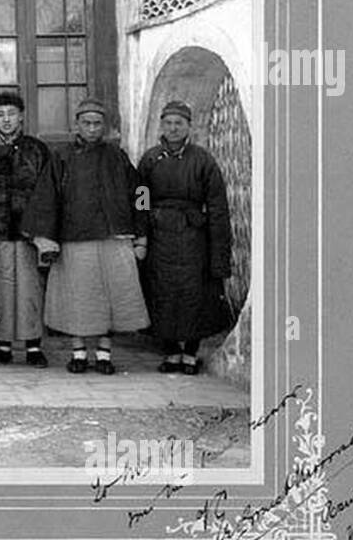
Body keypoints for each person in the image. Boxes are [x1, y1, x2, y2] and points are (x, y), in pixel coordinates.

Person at [24, 99, 149, 375]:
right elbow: (46, 198)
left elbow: (141, 193)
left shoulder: (117, 156)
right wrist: (45, 239)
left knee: (110, 300)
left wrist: (142, 235)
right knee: (78, 299)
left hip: (114, 239)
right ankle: (78, 353)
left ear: (104, 126)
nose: (92, 128)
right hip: (75, 240)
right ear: (76, 125)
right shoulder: (61, 157)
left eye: (97, 124)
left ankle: (104, 354)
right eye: (87, 123)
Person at [137, 100, 234, 375]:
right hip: (160, 237)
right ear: (162, 126)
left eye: (179, 123)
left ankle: (190, 353)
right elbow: (141, 201)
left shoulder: (203, 160)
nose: (173, 128)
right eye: (168, 123)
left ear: (189, 126)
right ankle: (170, 352)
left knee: (195, 295)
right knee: (162, 293)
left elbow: (217, 206)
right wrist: (142, 235)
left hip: (194, 238)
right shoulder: (150, 160)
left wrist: (218, 247)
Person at [0, 90, 52, 366]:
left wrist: (42, 230)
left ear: (21, 117)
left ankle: (33, 346)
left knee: (31, 290)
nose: (6, 120)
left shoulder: (37, 150)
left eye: (11, 114)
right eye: (0, 115)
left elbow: (47, 192)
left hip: (30, 233)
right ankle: (1, 345)